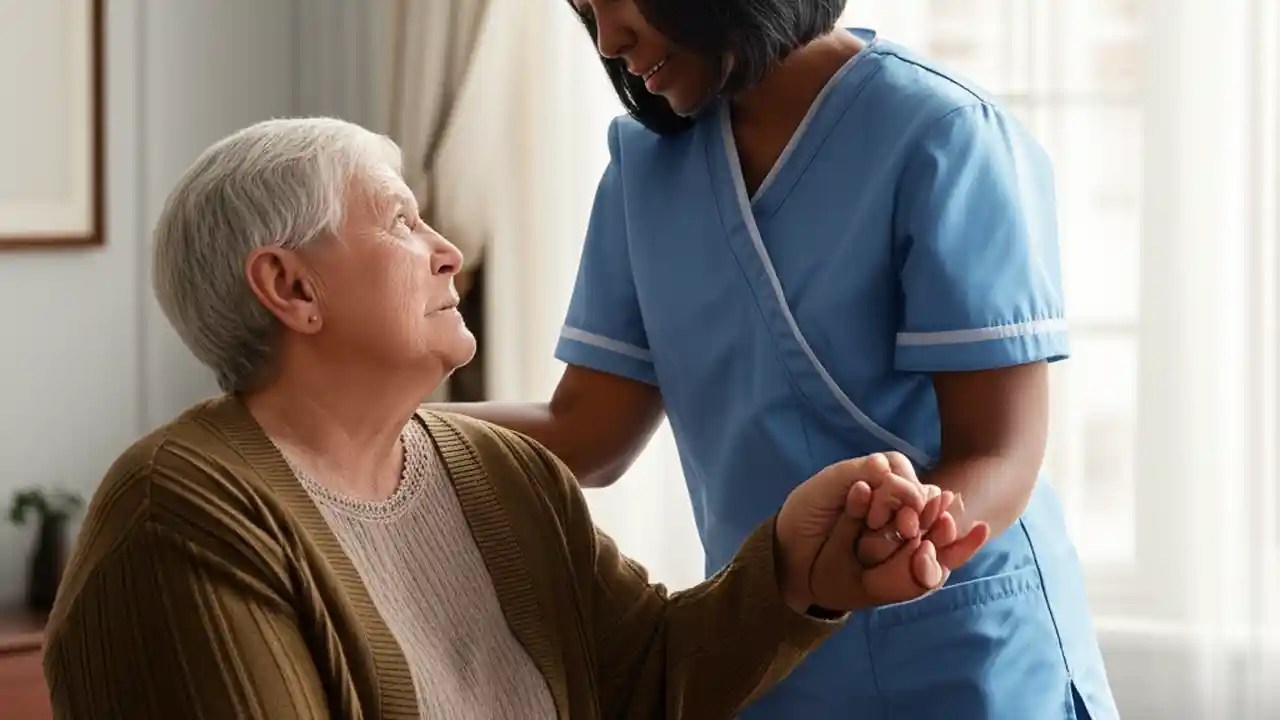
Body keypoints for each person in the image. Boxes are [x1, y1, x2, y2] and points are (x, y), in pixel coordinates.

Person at [41, 118, 987, 720]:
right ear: (291, 288)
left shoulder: (501, 472)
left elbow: (646, 679)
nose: (448, 250)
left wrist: (792, 569)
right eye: (402, 221)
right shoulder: (183, 517)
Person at [439, 1, 1120, 718]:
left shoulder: (943, 136)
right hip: (776, 650)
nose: (609, 40)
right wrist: (366, 425)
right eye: (585, 9)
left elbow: (999, 451)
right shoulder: (644, 166)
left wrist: (907, 533)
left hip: (965, 652)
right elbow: (586, 432)